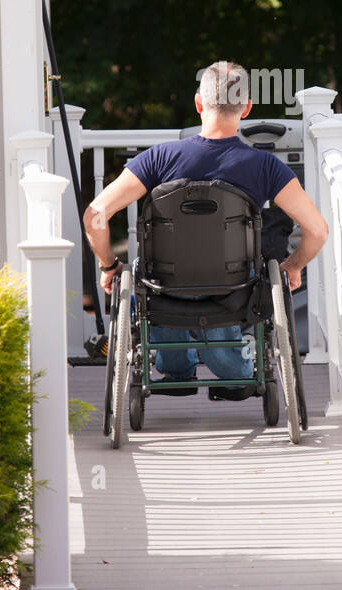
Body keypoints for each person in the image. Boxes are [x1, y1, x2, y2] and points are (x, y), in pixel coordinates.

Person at [83, 61, 328, 400]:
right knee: (230, 283)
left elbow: (94, 214)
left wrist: (109, 265)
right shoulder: (265, 167)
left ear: (198, 104)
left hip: (165, 286)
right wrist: (294, 265)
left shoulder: (157, 159)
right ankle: (235, 372)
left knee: (157, 280)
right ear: (246, 108)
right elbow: (317, 230)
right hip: (234, 286)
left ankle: (176, 368)